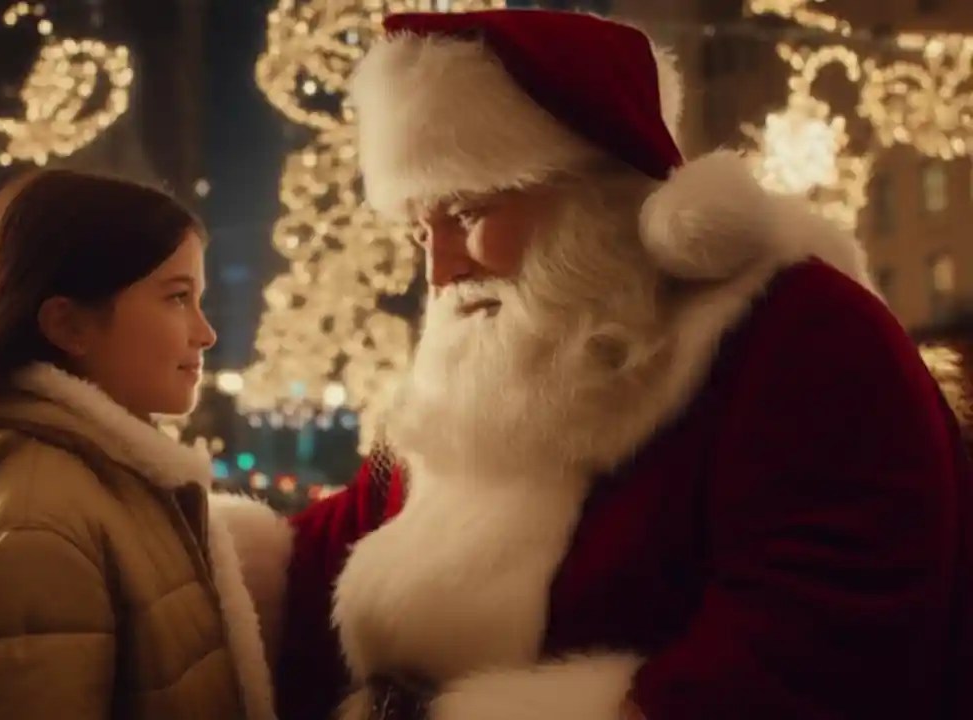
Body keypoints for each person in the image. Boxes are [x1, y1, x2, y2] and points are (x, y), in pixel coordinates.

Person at [244, 10, 973, 720]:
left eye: (465, 213)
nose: (438, 269)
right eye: (418, 231)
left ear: (592, 193)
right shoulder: (489, 360)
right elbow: (339, 540)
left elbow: (824, 634)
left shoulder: (795, 329)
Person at [0, 170, 278, 720]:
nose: (205, 333)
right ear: (69, 325)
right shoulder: (38, 525)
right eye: (178, 297)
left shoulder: (99, 485)